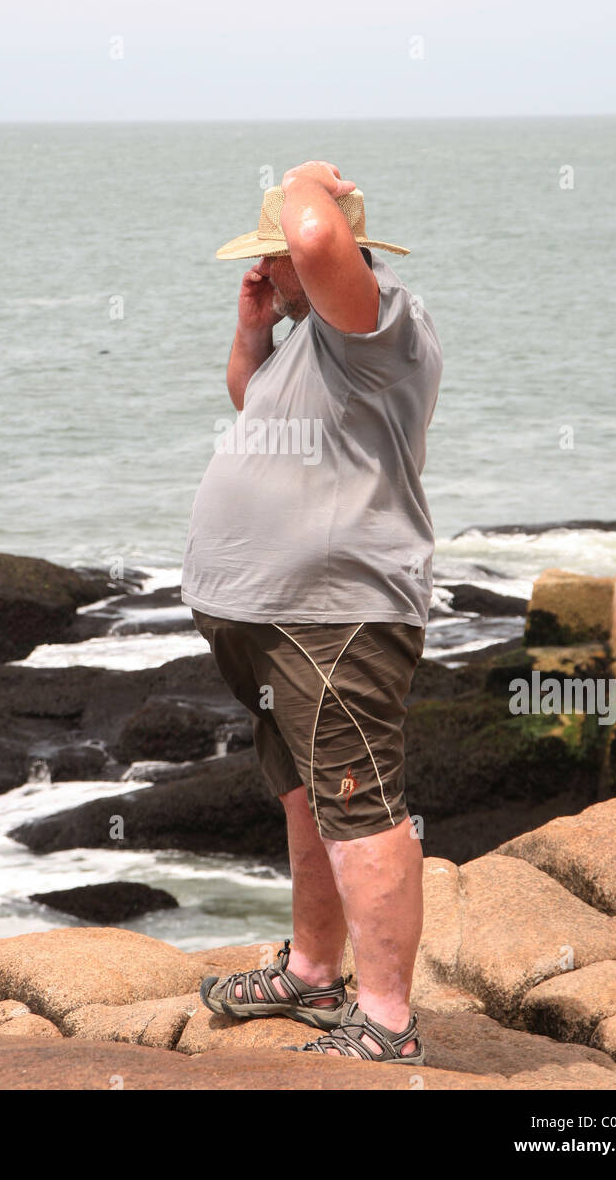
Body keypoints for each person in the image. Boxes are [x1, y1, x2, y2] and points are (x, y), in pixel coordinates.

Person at [180, 160, 443, 1063]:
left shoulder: (376, 323)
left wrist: (300, 183)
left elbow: (317, 236)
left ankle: (387, 1022)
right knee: (306, 799)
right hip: (265, 616)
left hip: (333, 617)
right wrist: (253, 328)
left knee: (358, 805)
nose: (269, 268)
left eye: (272, 258)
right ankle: (313, 973)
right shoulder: (314, 345)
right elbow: (254, 412)